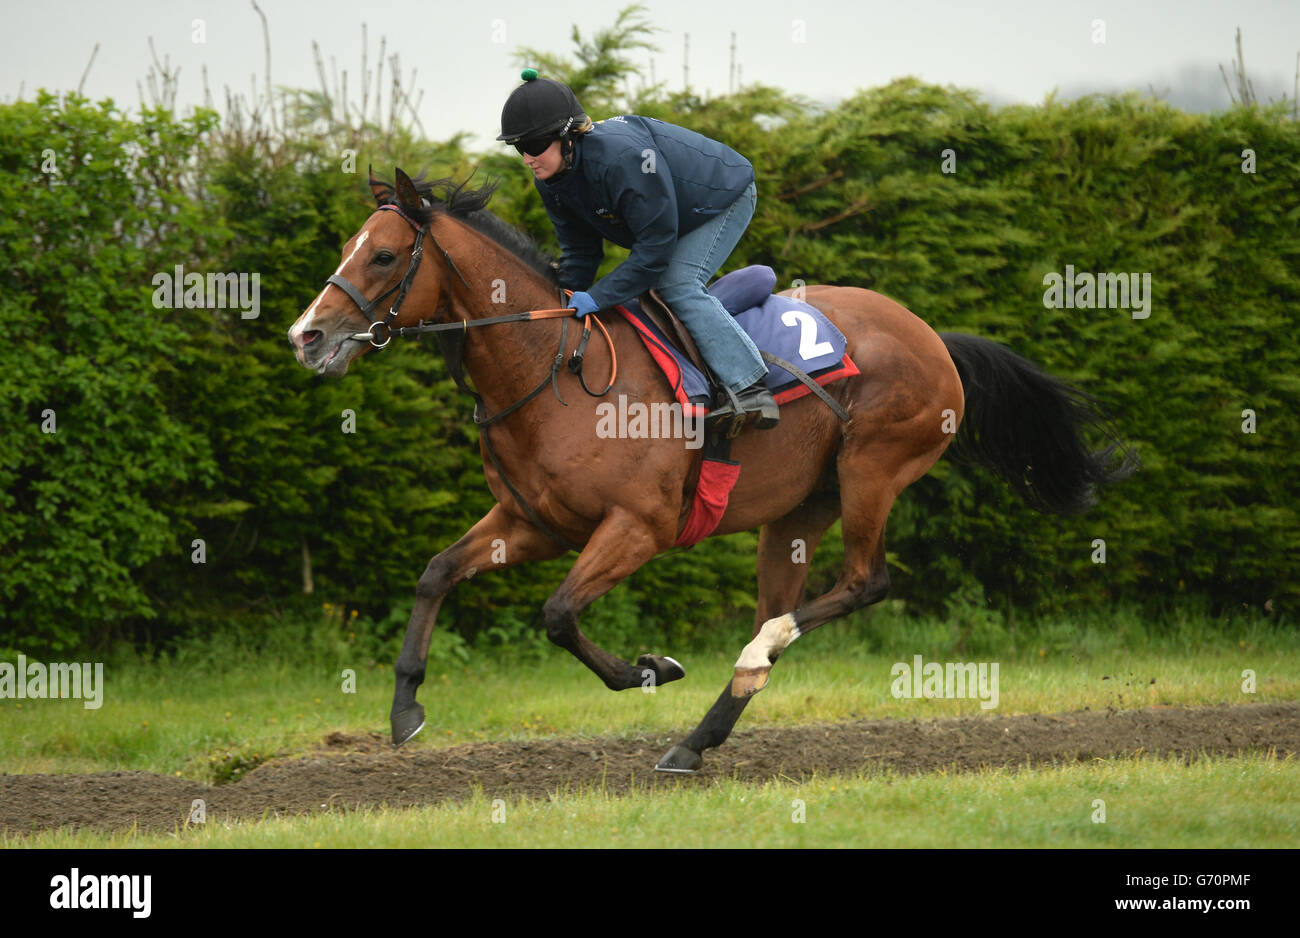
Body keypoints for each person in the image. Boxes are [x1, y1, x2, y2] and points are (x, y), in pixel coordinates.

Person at [497, 68, 778, 429]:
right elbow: (581, 252)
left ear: (568, 138)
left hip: (720, 198)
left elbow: (656, 248)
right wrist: (566, 296)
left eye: (534, 146)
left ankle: (752, 388)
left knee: (675, 284)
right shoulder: (551, 180)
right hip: (672, 212)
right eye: (519, 148)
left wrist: (598, 297)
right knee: (643, 288)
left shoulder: (622, 160)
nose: (527, 159)